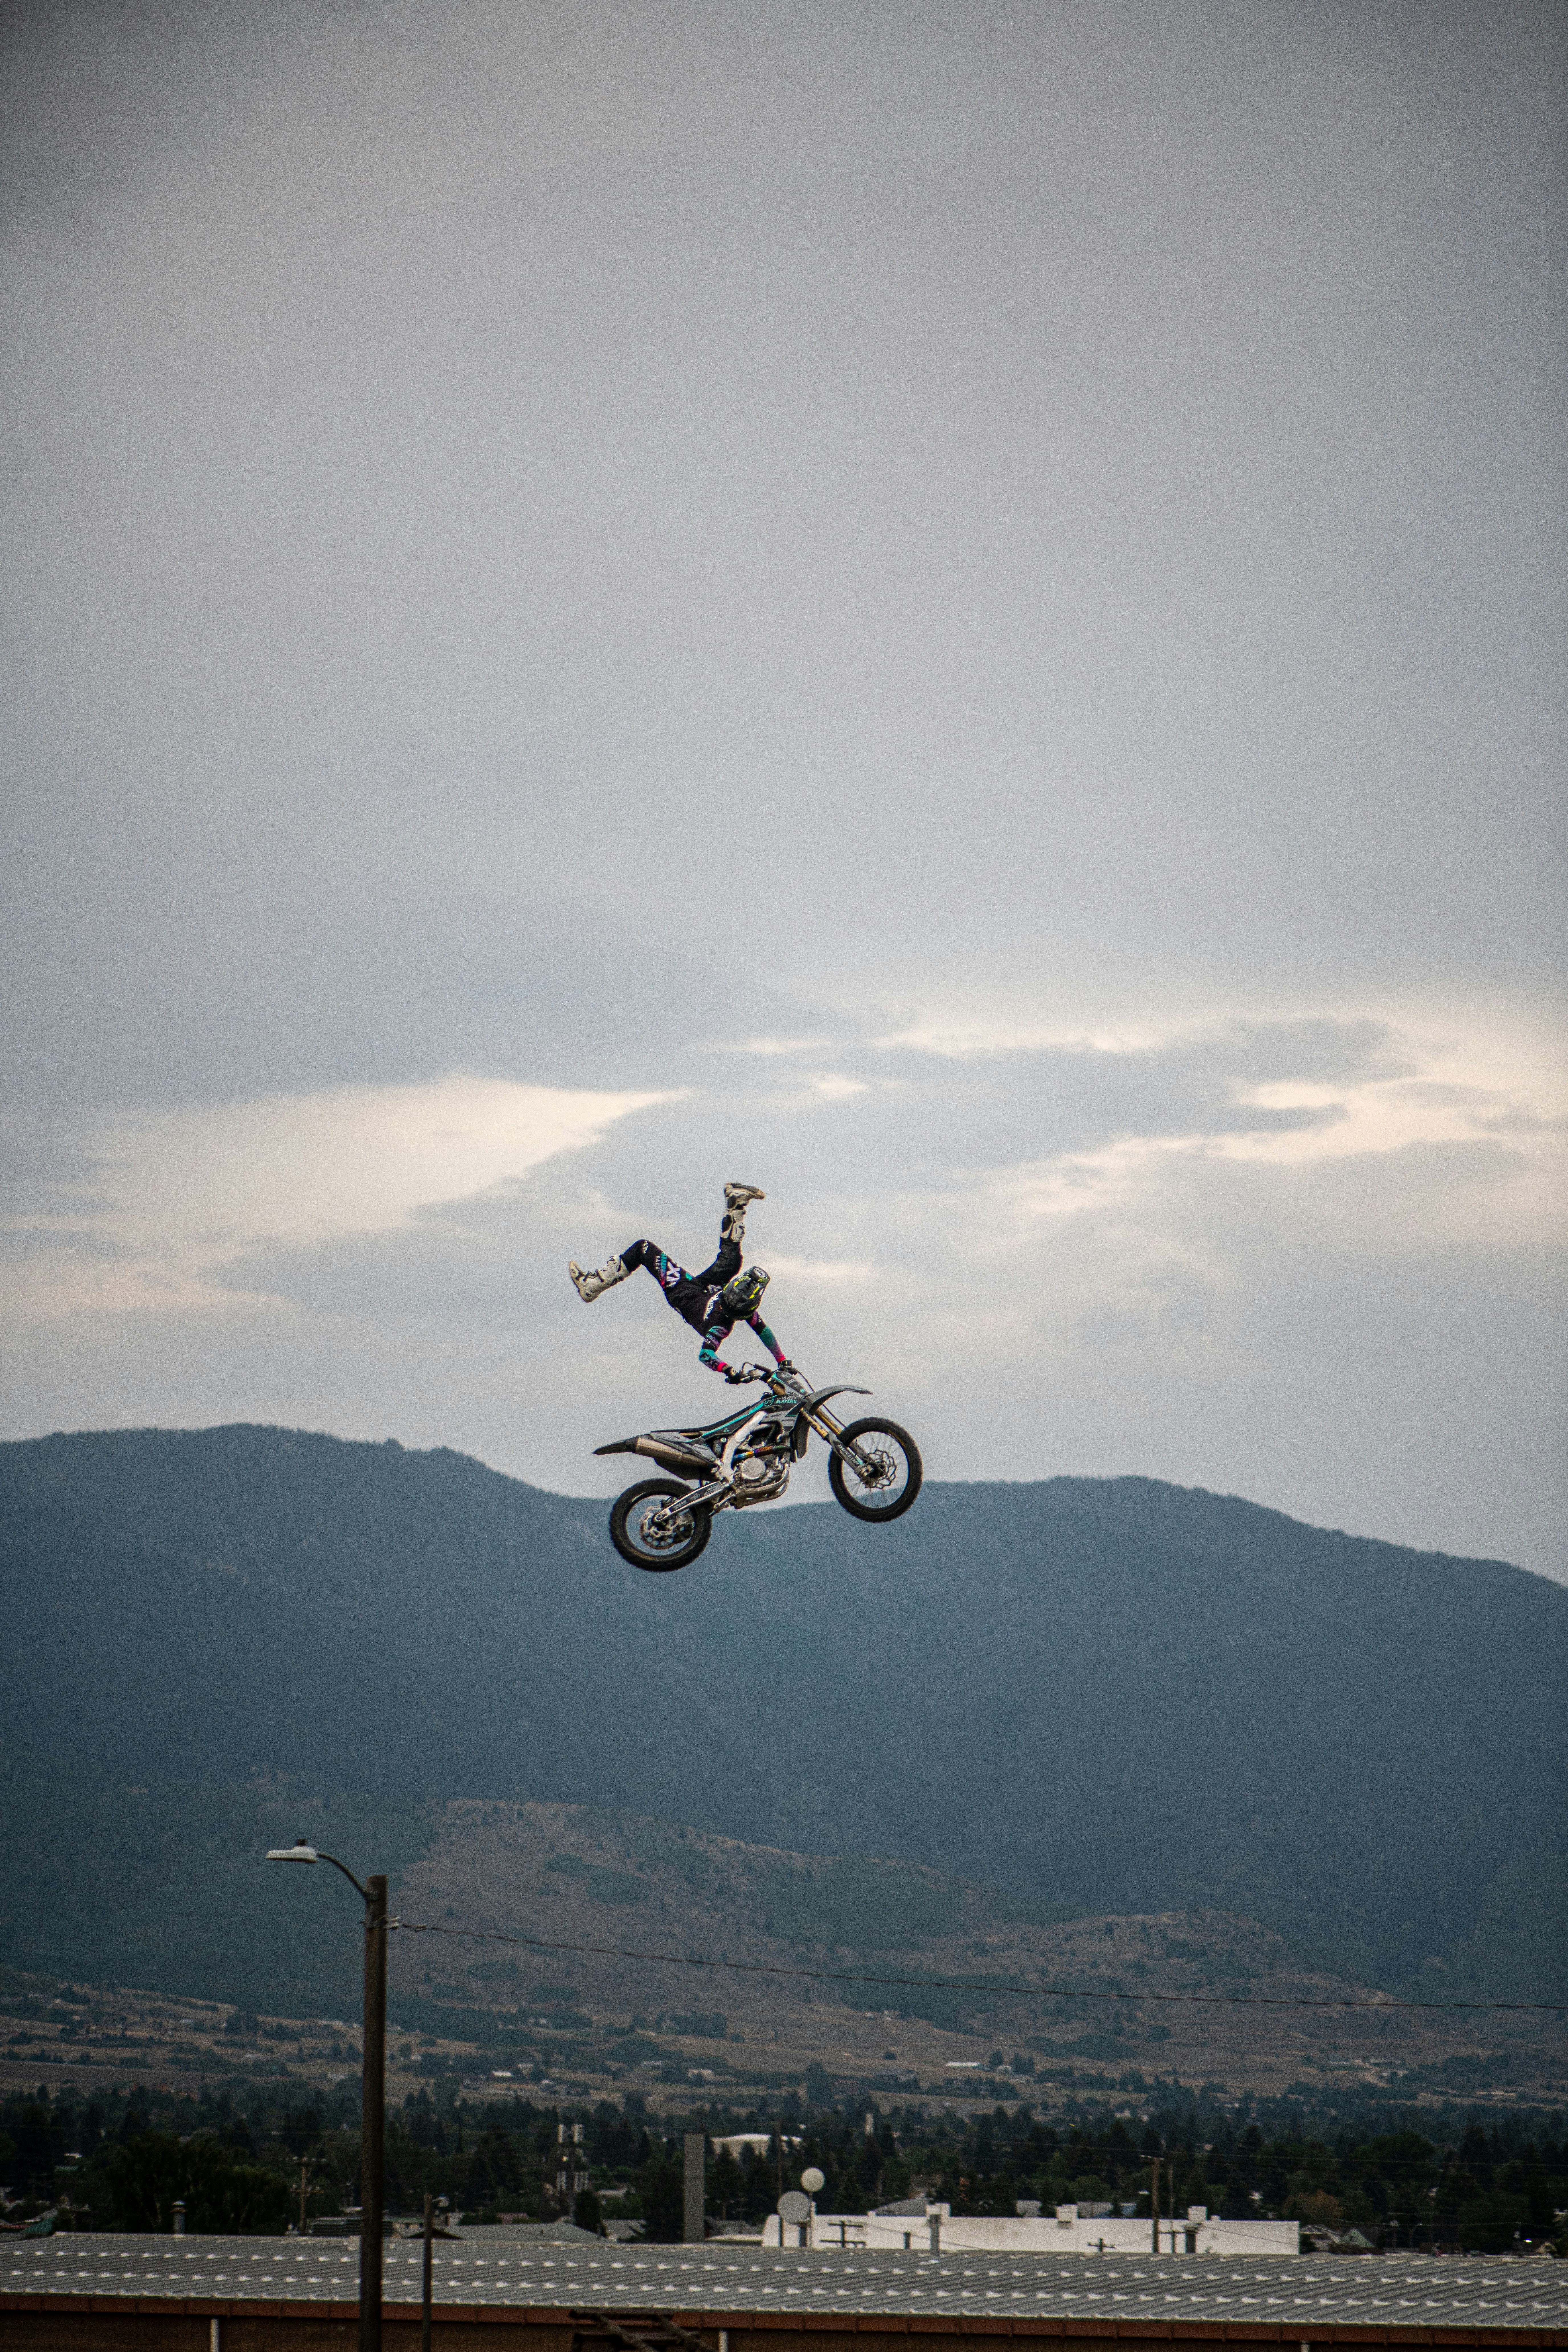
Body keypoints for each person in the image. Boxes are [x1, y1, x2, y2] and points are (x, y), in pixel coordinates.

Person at [568, 1182, 786, 1383]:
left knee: (643, 1247)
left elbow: (706, 1354)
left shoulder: (719, 1326)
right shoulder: (741, 1307)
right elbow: (763, 1331)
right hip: (704, 1290)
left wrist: (727, 1370)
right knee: (732, 1262)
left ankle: (593, 1286)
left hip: (682, 1292)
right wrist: (782, 1360)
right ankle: (735, 1203)